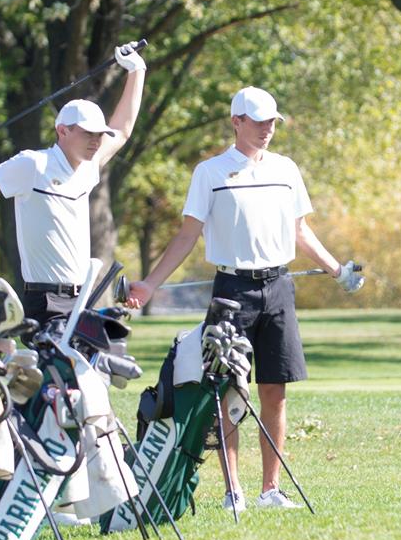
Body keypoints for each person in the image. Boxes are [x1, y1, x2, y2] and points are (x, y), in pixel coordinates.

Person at [126, 87, 363, 512]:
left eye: (273, 122)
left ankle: (270, 489)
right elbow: (187, 235)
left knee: (275, 389)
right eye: (259, 122)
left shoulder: (286, 168)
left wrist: (337, 271)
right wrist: (150, 285)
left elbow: (301, 231)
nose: (268, 129)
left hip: (278, 288)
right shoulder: (210, 173)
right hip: (232, 292)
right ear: (236, 121)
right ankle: (232, 491)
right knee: (227, 391)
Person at [0, 43, 145, 323]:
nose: (96, 141)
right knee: (59, 367)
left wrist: (137, 70)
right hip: (45, 300)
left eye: (98, 135)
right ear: (62, 131)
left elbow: (123, 129)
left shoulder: (89, 167)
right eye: (88, 134)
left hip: (82, 299)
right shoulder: (33, 164)